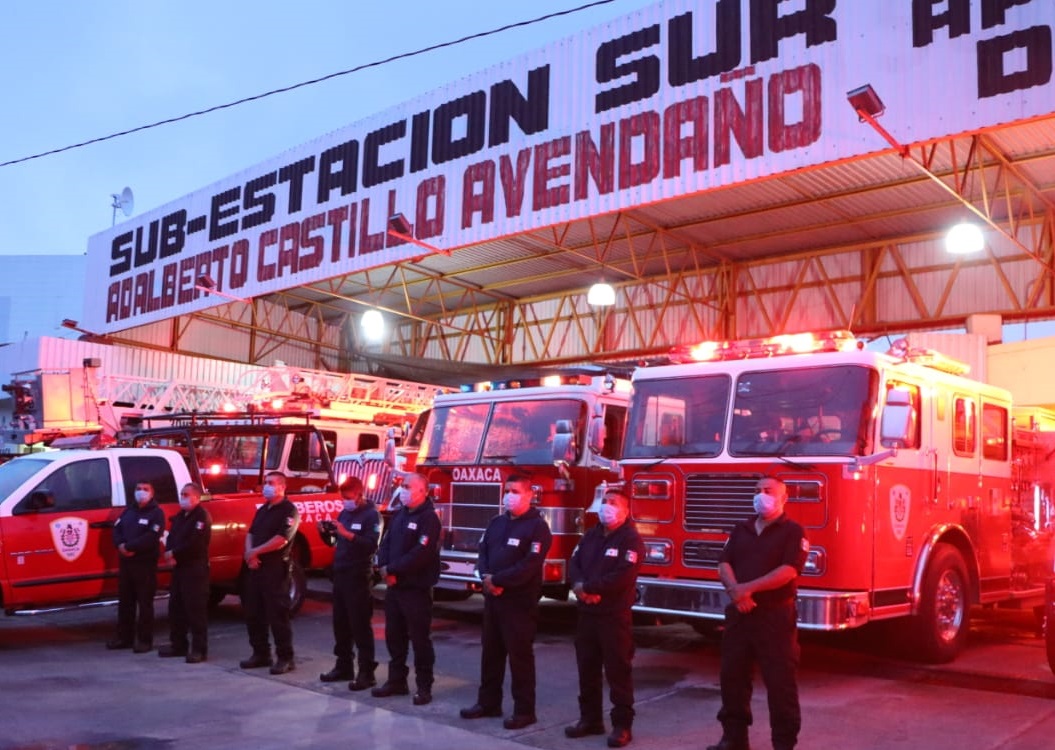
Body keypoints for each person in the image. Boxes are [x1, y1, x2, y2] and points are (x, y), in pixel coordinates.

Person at [706, 477, 809, 750]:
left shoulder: (794, 532)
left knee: (780, 684)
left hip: (775, 618)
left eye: (768, 491)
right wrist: (735, 592)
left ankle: (783, 744)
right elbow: (723, 563)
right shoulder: (741, 529)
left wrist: (746, 590)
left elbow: (788, 571)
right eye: (757, 491)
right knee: (733, 679)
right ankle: (734, 739)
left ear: (783, 497)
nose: (761, 496)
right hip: (740, 617)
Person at [460, 473, 552, 729]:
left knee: (519, 657)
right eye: (507, 490)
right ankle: (488, 703)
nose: (509, 496)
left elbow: (530, 566)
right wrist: (486, 577)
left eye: (516, 491)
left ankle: (525, 710)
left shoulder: (537, 527)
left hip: (519, 603)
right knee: (491, 654)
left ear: (529, 495)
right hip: (493, 599)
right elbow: (483, 552)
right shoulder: (496, 523)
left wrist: (499, 580)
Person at [565, 490, 644, 748]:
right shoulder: (590, 535)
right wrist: (579, 587)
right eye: (605, 502)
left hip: (613, 616)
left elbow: (623, 576)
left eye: (613, 503)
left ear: (625, 510)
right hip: (587, 615)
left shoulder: (631, 539)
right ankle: (590, 719)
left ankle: (622, 725)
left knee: (617, 670)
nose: (606, 507)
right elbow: (574, 562)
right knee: (587, 668)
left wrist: (593, 589)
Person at [372, 472, 441, 706]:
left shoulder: (429, 518)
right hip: (395, 588)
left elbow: (421, 554)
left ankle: (424, 686)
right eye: (403, 485)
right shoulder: (401, 514)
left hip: (416, 589)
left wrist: (393, 569)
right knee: (394, 636)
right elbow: (386, 542)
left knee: (420, 640)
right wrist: (383, 565)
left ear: (424, 491)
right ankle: (396, 681)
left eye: (409, 486)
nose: (404, 490)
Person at [318, 476, 381, 690]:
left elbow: (371, 545)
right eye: (342, 498)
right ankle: (343, 665)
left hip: (358, 575)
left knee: (360, 625)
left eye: (348, 497)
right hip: (341, 574)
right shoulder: (344, 513)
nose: (345, 501)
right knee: (341, 624)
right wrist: (327, 534)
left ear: (360, 494)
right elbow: (337, 541)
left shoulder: (371, 516)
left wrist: (348, 534)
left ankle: (366, 671)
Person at [239, 471, 300, 675]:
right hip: (256, 567)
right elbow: (251, 533)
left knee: (278, 615)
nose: (267, 486)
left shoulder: (289, 511)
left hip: (275, 569)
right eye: (266, 483)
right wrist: (250, 554)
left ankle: (285, 657)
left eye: (271, 483)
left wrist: (255, 551)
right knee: (253, 612)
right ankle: (260, 653)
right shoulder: (263, 509)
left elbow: (281, 539)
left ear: (282, 486)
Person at [107, 481, 166, 653]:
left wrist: (131, 547)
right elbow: (116, 530)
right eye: (138, 489)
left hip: (144, 563)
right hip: (126, 564)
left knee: (145, 603)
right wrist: (120, 545)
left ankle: (144, 641)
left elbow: (152, 536)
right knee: (125, 602)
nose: (141, 492)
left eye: (145, 489)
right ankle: (124, 638)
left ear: (152, 493)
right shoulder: (129, 511)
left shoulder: (156, 514)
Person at [159, 483, 212, 663]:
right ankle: (178, 645)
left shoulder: (201, 517)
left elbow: (195, 543)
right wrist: (169, 552)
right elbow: (171, 537)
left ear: (196, 497)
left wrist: (174, 553)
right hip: (179, 568)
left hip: (195, 569)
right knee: (176, 608)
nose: (183, 497)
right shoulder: (181, 516)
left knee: (195, 610)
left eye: (186, 494)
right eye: (182, 494)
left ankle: (199, 649)